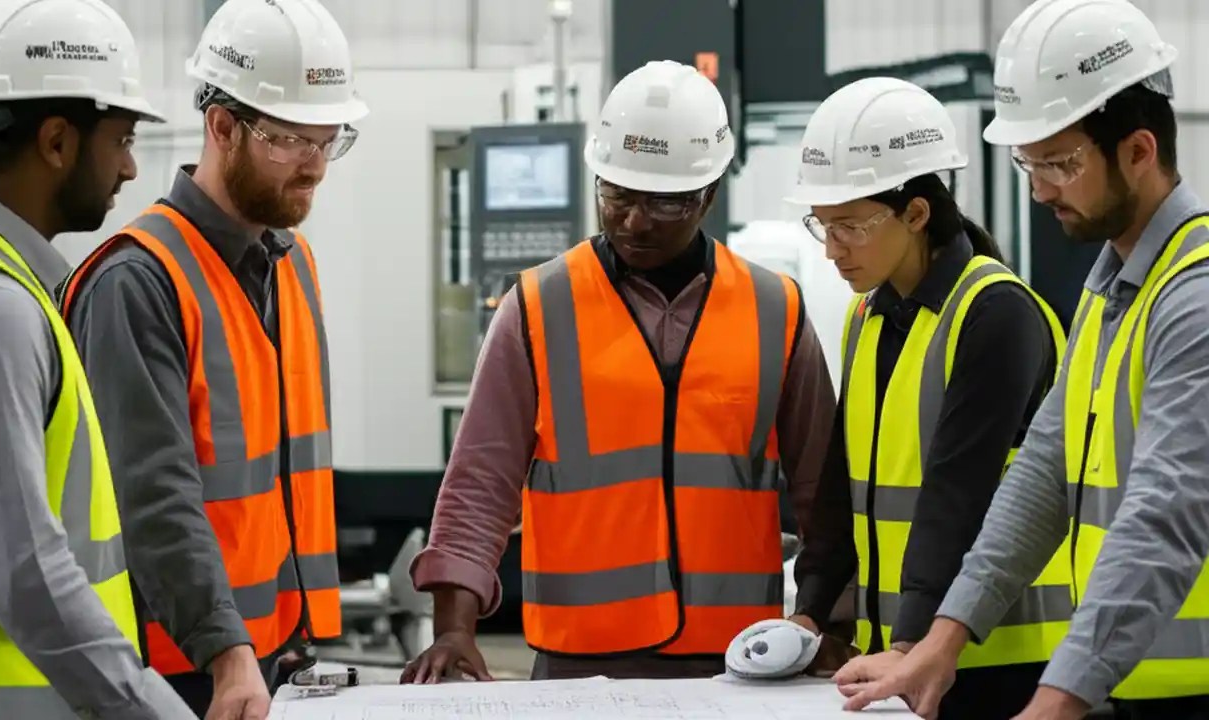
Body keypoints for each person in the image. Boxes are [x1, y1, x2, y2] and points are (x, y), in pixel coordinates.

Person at [401, 59, 840, 684]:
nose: (633, 221)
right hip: (576, 663)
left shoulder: (778, 311)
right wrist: (453, 628)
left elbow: (823, 494)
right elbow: (480, 482)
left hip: (737, 665)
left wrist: (827, 620)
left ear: (708, 193)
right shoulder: (536, 308)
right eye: (617, 194)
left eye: (662, 203)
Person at [837, 1, 1209, 719]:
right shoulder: (1111, 289)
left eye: (1061, 163)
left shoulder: (1193, 296)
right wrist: (941, 643)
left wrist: (1054, 700)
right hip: (1122, 686)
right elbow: (1041, 475)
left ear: (1138, 151)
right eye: (1027, 163)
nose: (1039, 189)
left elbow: (1166, 512)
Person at [57, 0, 368, 717]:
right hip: (177, 669)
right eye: (293, 139)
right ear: (222, 127)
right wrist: (226, 655)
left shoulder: (292, 264)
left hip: (274, 658)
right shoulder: (136, 282)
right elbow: (154, 497)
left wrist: (291, 640)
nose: (316, 166)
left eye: (330, 139)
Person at [769, 76, 1073, 719]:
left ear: (915, 213)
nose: (831, 251)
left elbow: (956, 493)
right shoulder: (870, 315)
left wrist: (912, 641)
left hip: (996, 664)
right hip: (900, 655)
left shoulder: (996, 314)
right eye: (822, 226)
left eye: (850, 226)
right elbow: (837, 481)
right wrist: (810, 612)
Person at [0, 1, 198, 718]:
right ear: (56, 141)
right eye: (123, 139)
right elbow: (23, 566)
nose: (132, 166)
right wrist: (149, 709)